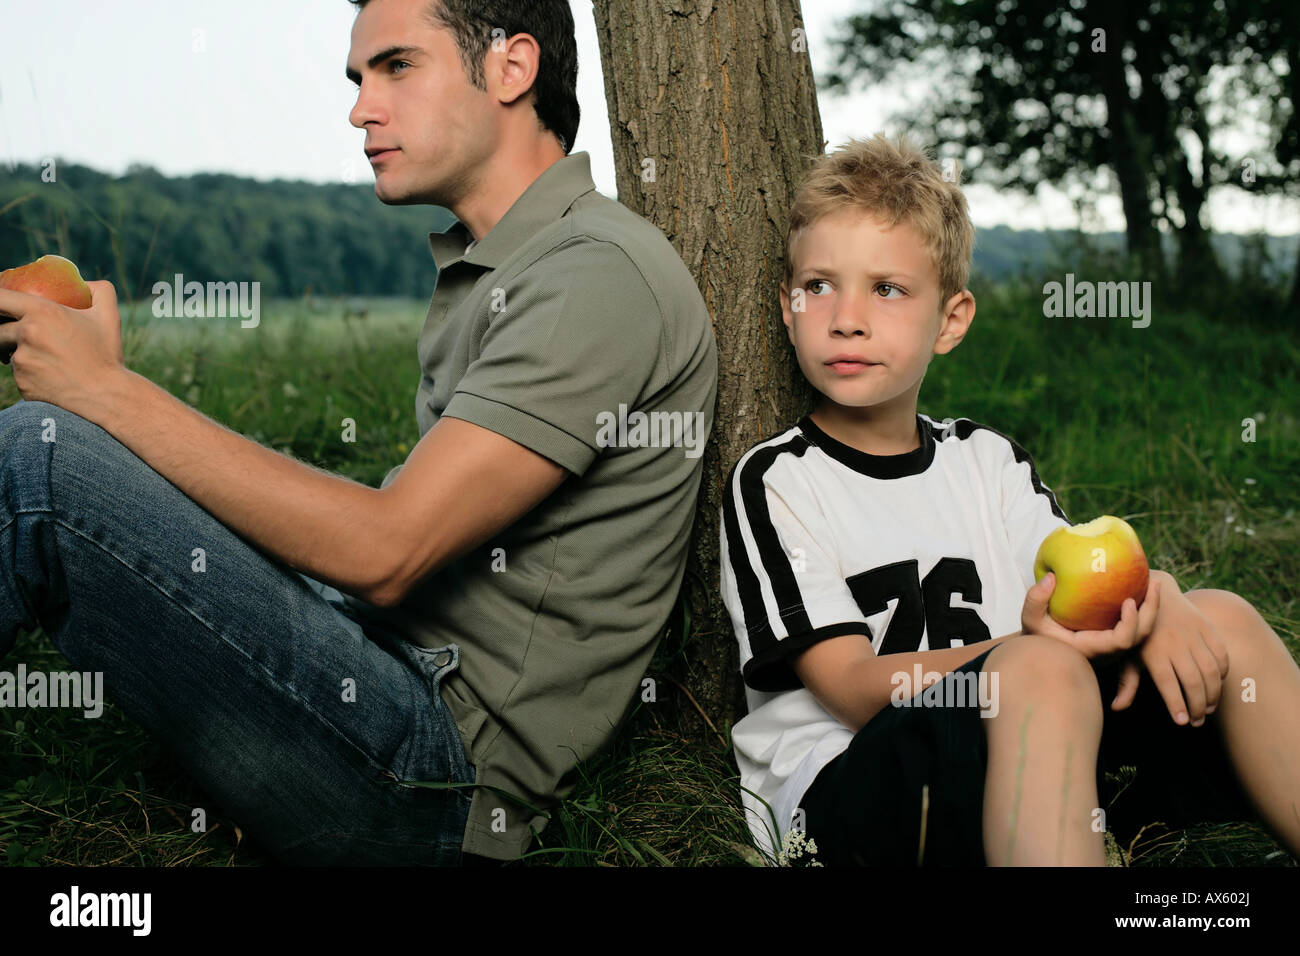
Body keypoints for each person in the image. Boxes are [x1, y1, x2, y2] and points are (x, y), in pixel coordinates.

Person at [0, 0, 717, 865]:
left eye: (398, 67)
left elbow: (388, 549)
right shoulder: (508, 264)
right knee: (93, 451)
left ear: (511, 68)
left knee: (40, 457)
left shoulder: (596, 276)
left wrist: (106, 393)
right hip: (385, 665)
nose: (360, 108)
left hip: (437, 779)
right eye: (358, 78)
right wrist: (119, 429)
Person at [718, 133, 1300, 866]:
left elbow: (1081, 596)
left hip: (1022, 744)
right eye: (819, 286)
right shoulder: (778, 480)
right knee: (1040, 668)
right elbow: (853, 690)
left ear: (952, 321)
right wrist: (1026, 652)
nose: (846, 317)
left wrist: (1158, 596)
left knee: (1226, 620)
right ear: (787, 304)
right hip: (848, 801)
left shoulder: (984, 460)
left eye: (888, 289)